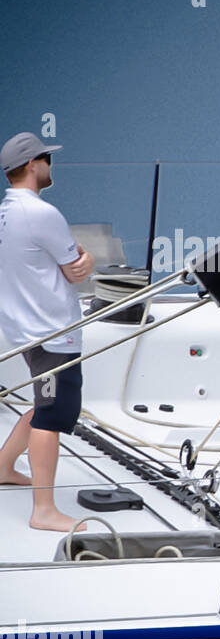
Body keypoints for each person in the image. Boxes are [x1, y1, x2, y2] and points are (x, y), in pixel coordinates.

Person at [0, 132, 99, 532]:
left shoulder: (5, 212)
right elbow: (76, 265)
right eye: (46, 159)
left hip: (25, 326)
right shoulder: (41, 213)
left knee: (44, 404)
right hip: (52, 331)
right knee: (52, 414)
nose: (49, 167)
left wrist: (78, 259)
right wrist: (85, 259)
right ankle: (44, 511)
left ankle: (4, 467)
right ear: (32, 165)